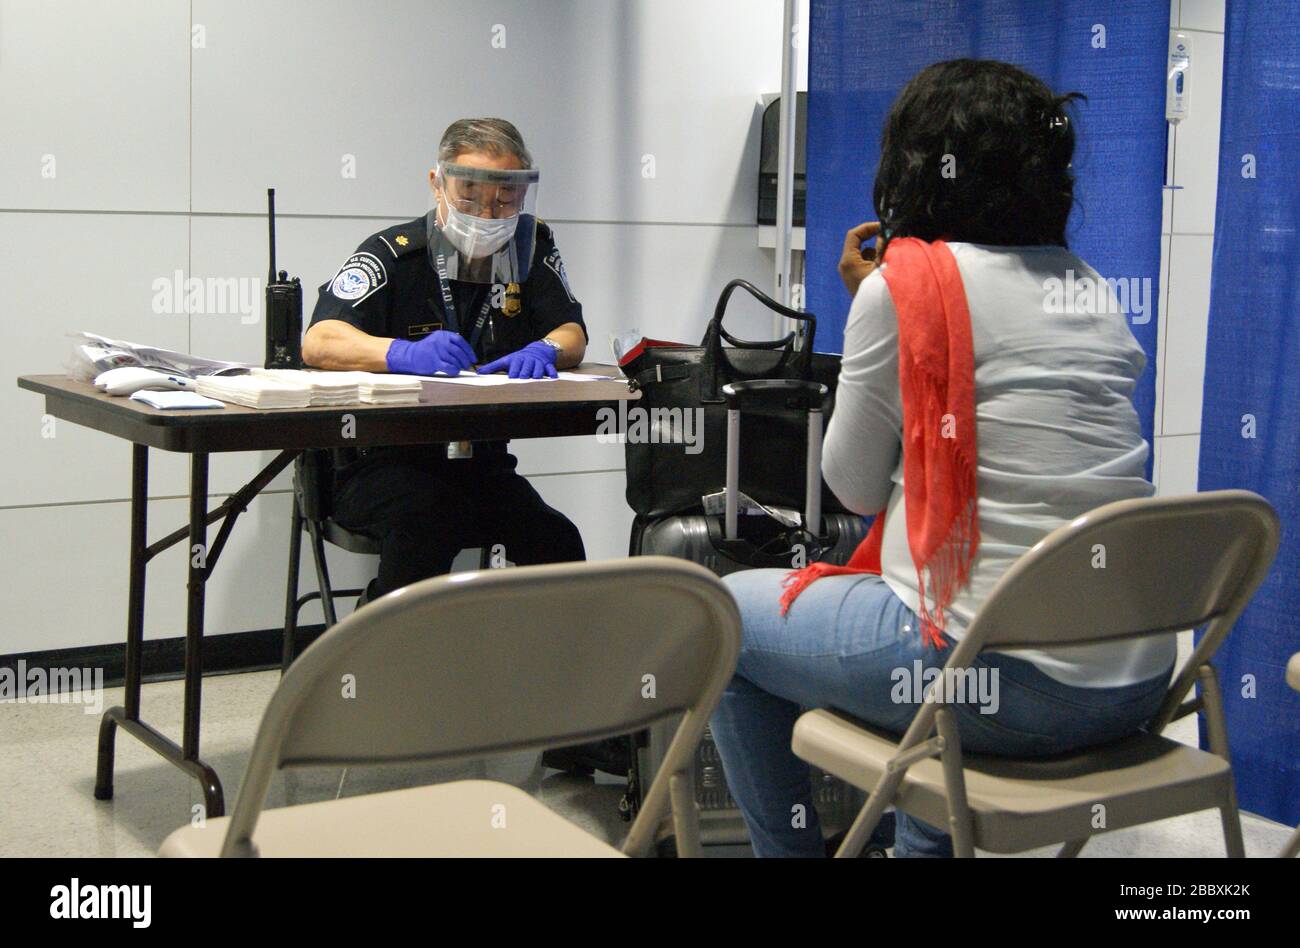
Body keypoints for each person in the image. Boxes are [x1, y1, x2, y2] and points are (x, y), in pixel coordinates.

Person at [708, 59, 1176, 857]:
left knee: (721, 621)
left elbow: (851, 488)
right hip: (1135, 679)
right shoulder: (1092, 290)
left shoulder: (903, 289)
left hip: (1004, 686)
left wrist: (876, 305)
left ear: (910, 170)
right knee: (948, 600)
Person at [302, 117, 588, 601]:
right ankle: (385, 658)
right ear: (437, 184)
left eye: (505, 199)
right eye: (470, 196)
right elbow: (320, 340)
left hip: (483, 467)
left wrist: (549, 348)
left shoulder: (528, 251)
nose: (488, 211)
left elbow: (572, 331)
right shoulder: (393, 255)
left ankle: (545, 667)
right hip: (382, 466)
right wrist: (399, 353)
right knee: (428, 525)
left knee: (556, 541)